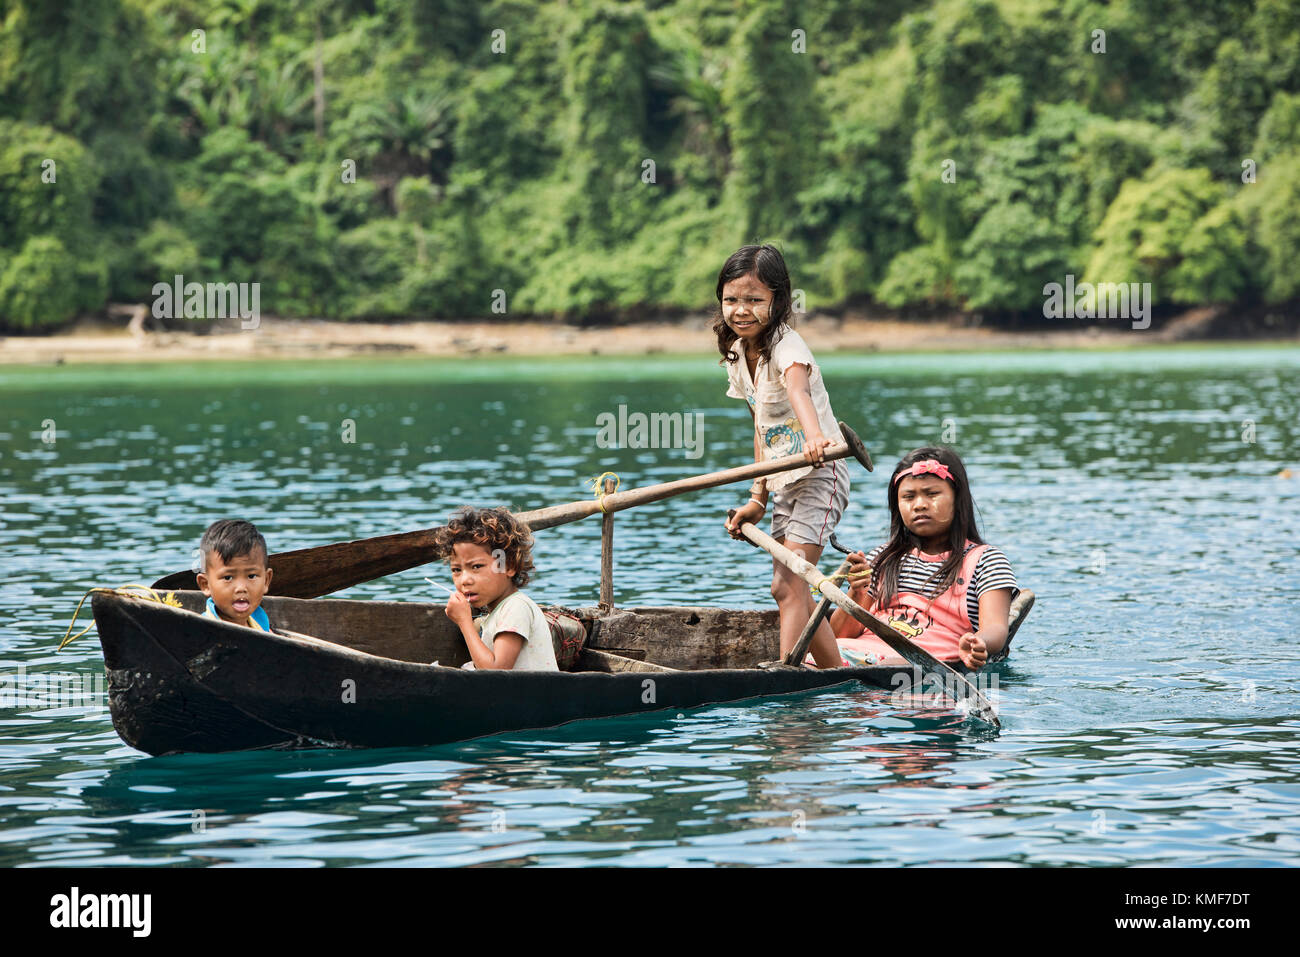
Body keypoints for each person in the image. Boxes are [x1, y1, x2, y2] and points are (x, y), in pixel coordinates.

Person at [718, 244, 850, 668]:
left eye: (754, 300)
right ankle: (836, 674)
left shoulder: (788, 347)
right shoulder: (739, 353)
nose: (741, 310)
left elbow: (798, 392)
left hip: (820, 475)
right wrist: (757, 497)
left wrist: (814, 440)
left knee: (789, 583)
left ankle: (786, 672)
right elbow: (761, 425)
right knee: (789, 586)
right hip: (782, 481)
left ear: (778, 301)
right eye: (731, 299)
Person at [826, 446, 1019, 670]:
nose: (919, 504)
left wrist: (979, 643)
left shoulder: (986, 560)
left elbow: (996, 628)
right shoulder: (882, 558)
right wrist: (856, 592)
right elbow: (839, 635)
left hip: (922, 663)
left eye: (932, 494)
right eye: (908, 497)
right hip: (856, 655)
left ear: (958, 500)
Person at [431, 506, 558, 671]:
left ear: (509, 566)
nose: (465, 580)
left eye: (476, 566)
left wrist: (465, 623)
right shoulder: (497, 611)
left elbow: (497, 672)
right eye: (456, 570)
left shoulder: (516, 607)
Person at [195, 519, 274, 631]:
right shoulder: (203, 630)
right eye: (228, 578)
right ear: (206, 584)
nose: (241, 588)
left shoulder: (259, 621)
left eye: (251, 576)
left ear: (266, 581)